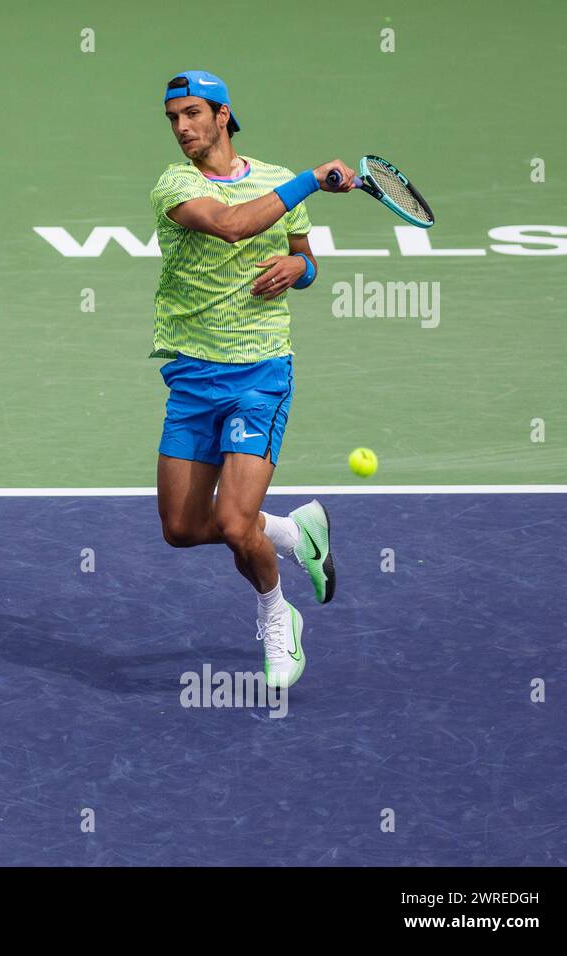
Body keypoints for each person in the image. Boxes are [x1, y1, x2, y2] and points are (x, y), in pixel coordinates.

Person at [150, 70, 355, 688]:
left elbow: (308, 261)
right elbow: (234, 224)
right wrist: (314, 179)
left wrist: (300, 266)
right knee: (182, 530)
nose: (182, 128)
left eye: (192, 114)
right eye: (173, 119)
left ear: (222, 114)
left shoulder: (272, 178)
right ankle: (295, 532)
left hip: (260, 372)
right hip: (191, 376)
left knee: (237, 524)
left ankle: (276, 613)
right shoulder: (175, 185)